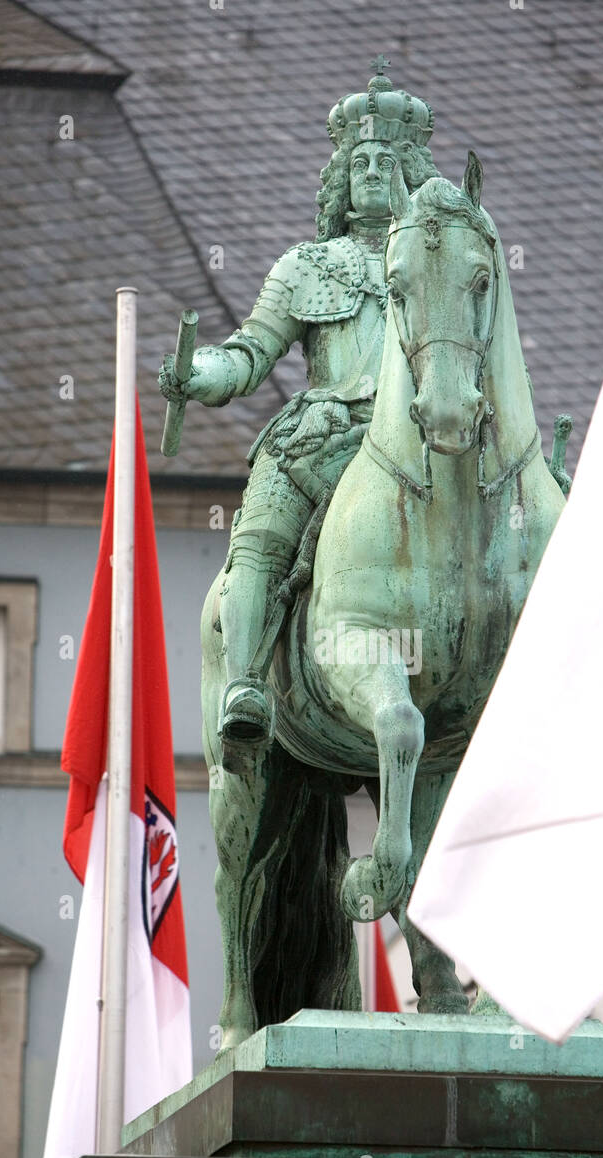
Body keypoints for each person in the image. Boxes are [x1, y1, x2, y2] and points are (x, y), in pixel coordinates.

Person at [159, 59, 441, 748]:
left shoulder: (440, 259)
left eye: (386, 159)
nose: (372, 171)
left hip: (427, 437)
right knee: (258, 540)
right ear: (341, 181)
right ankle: (247, 686)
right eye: (360, 161)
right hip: (323, 435)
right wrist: (196, 373)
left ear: (410, 171)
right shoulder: (305, 267)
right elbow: (250, 353)